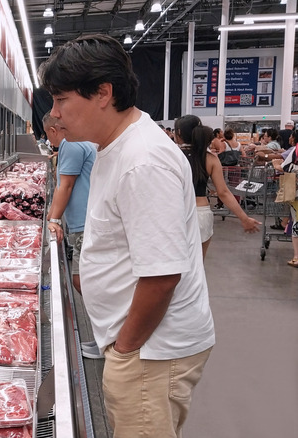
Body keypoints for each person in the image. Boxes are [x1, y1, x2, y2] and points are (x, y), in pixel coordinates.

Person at [40, 34, 215, 438]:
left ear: (103, 93)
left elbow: (162, 275)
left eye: (62, 100)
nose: (55, 114)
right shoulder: (114, 146)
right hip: (143, 349)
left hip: (150, 352)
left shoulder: (142, 161)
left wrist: (124, 351)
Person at [43, 112, 100, 359]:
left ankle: (107, 338)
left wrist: (54, 219)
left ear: (53, 130)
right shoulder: (79, 142)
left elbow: (65, 186)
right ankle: (103, 337)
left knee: (83, 280)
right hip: (86, 220)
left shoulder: (71, 144)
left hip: (84, 223)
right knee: (85, 280)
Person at [174, 115, 261, 258]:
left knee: (174, 265)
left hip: (175, 213)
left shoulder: (172, 156)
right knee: (198, 265)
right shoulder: (210, 158)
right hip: (201, 213)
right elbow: (223, 192)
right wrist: (244, 218)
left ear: (178, 132)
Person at [274, 130, 298, 267]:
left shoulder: (295, 151)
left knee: (296, 221)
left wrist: (275, 165)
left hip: (296, 192)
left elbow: (285, 168)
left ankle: (296, 257)